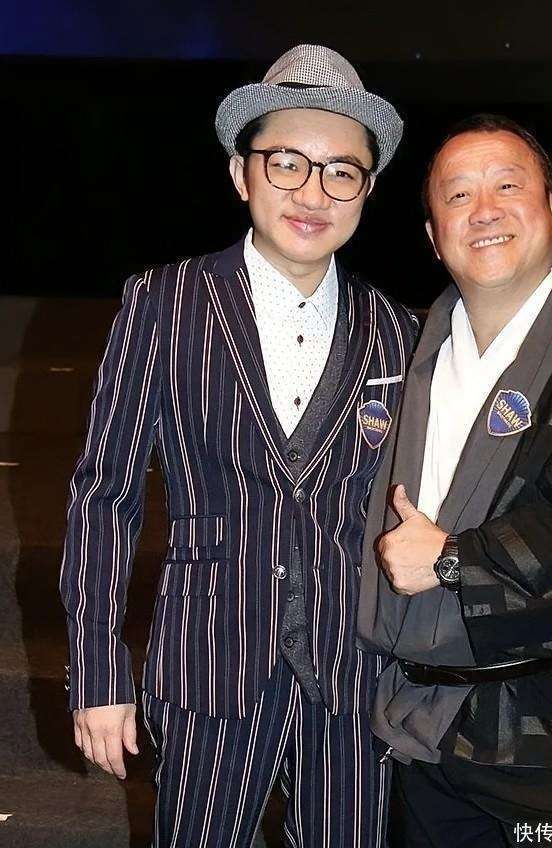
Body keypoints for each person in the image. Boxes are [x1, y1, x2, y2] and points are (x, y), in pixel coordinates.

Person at [60, 44, 417, 847]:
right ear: (241, 173)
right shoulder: (164, 302)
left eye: (341, 171)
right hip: (208, 663)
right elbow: (105, 496)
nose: (312, 192)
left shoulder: (398, 332)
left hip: (353, 680)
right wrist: (99, 667)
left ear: (367, 190)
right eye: (286, 162)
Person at [358, 114, 552, 847]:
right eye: (457, 195)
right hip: (421, 730)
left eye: (507, 186)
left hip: (550, 740)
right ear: (434, 236)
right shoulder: (417, 355)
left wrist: (451, 559)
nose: (484, 210)